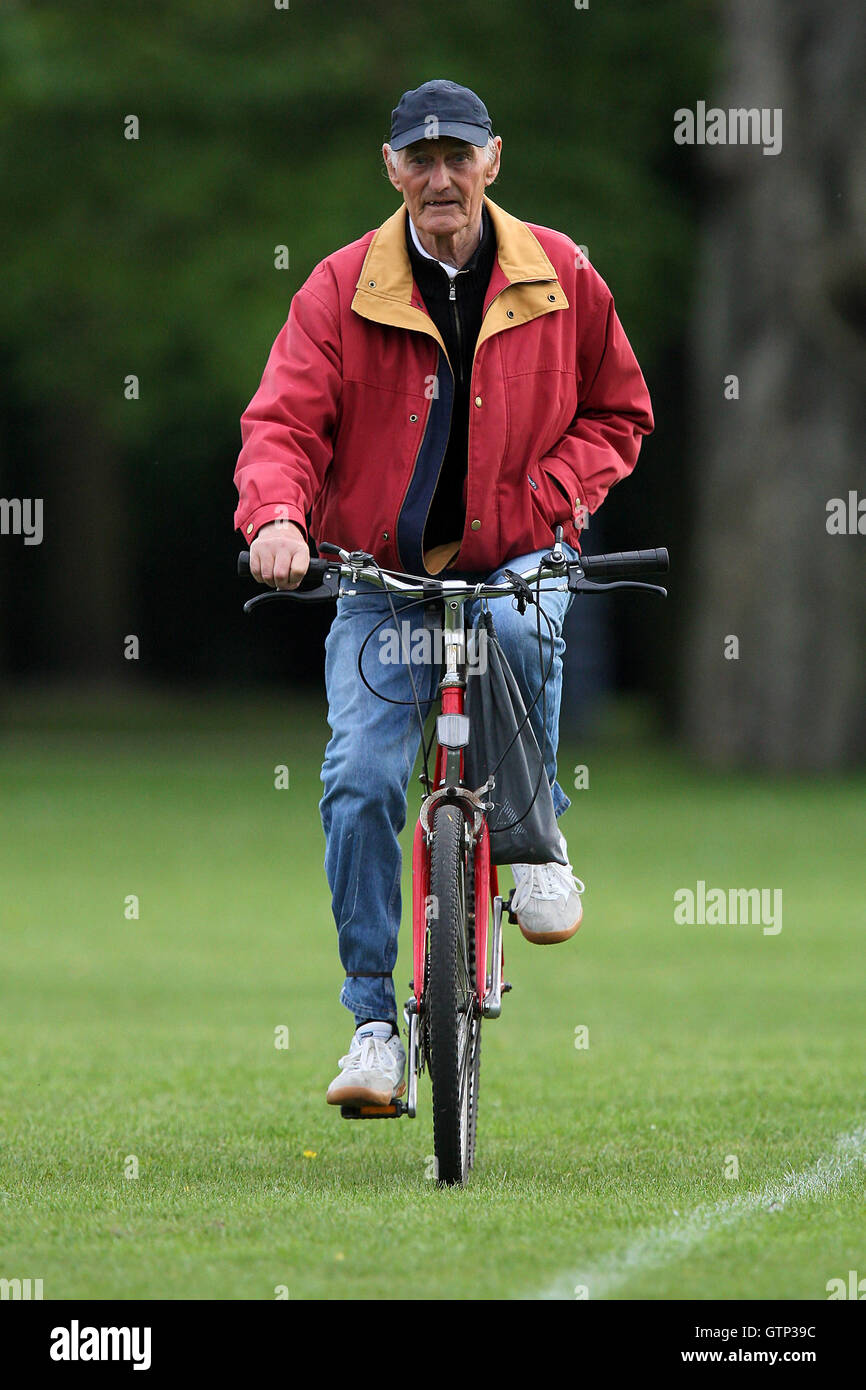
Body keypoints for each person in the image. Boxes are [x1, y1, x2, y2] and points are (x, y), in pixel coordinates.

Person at [234, 80, 653, 1107]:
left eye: (455, 156)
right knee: (360, 780)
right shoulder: (338, 289)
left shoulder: (560, 274)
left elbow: (619, 412)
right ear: (391, 172)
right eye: (417, 160)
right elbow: (281, 425)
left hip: (513, 554)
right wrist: (278, 519)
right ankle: (373, 1022)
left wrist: (547, 494)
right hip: (381, 577)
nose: (438, 177)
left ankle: (533, 837)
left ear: (491, 160)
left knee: (515, 621)